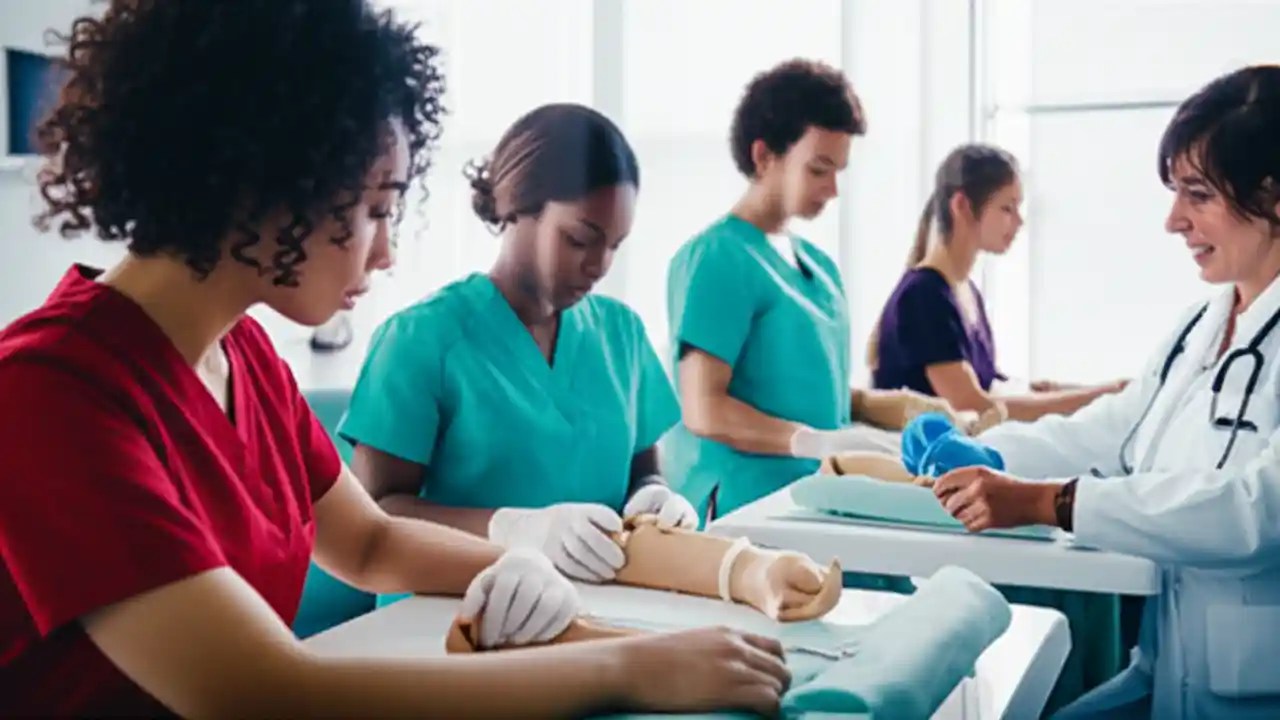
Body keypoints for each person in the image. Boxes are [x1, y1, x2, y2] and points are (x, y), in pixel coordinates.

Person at [0, 2, 788, 717]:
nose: (386, 252)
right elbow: (259, 692)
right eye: (374, 209)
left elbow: (371, 544)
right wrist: (629, 668)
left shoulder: (242, 357)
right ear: (260, 182)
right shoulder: (48, 391)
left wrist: (518, 563)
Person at [934, 64, 1280, 720]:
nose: (1174, 221)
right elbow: (1118, 428)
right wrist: (990, 455)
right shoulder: (1203, 324)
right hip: (1171, 663)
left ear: (1274, 196)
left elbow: (1257, 510)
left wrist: (1049, 502)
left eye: (1198, 194)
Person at [340, 103, 697, 592]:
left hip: (595, 608)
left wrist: (655, 496)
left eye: (615, 245)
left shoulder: (622, 334)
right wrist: (510, 530)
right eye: (580, 239)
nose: (599, 265)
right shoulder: (421, 340)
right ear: (514, 206)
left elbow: (644, 472)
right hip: (452, 609)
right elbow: (375, 515)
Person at [665, 58, 954, 528]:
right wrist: (814, 441)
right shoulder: (717, 258)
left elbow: (801, 387)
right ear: (764, 156)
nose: (833, 189)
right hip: (741, 509)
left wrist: (878, 410)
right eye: (819, 169)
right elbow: (703, 408)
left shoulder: (820, 268)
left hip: (811, 500)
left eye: (839, 170)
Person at [870, 144, 1126, 423]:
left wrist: (1109, 394)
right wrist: (1098, 396)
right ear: (962, 206)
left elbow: (994, 386)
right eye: (1007, 208)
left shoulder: (966, 293)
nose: (1019, 221)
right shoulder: (923, 295)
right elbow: (974, 405)